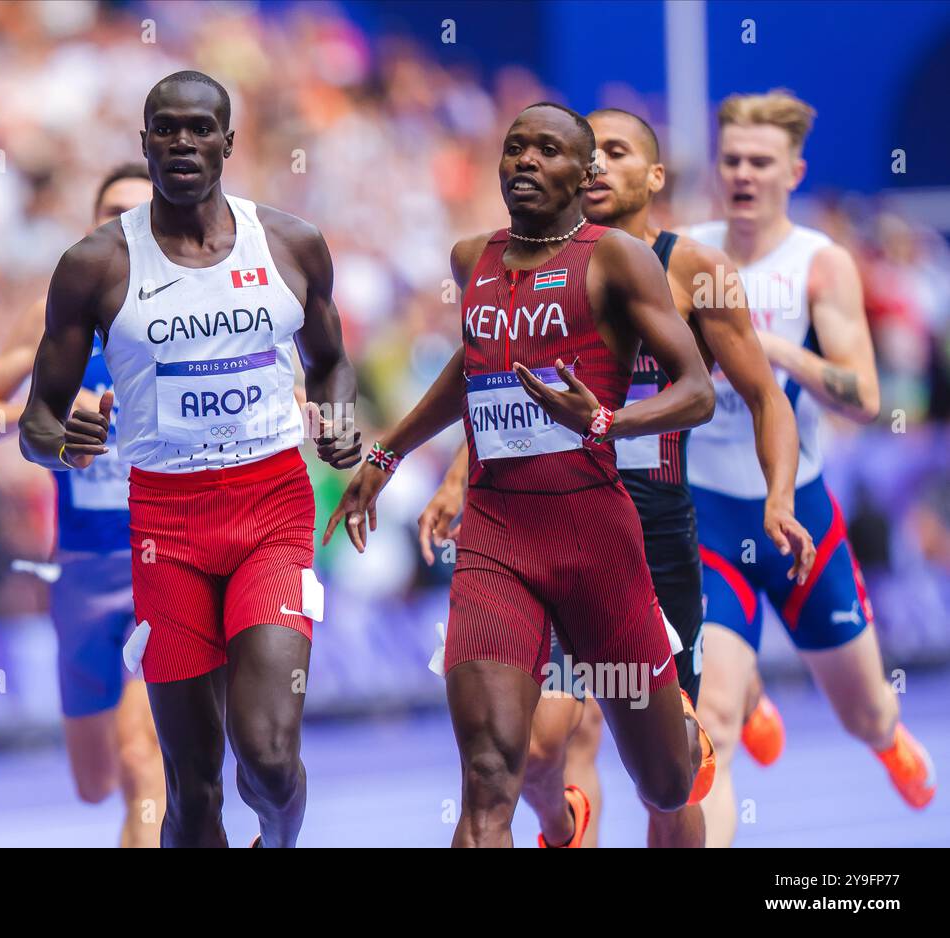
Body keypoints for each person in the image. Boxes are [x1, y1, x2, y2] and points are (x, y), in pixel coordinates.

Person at [418, 107, 815, 847]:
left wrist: (780, 496)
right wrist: (449, 478)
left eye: (616, 153)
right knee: (538, 747)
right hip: (534, 521)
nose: (597, 166)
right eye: (588, 152)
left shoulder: (694, 269)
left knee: (671, 775)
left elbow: (763, 395)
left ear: (654, 176)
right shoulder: (509, 260)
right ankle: (564, 823)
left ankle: (735, 691)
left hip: (650, 528)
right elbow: (499, 386)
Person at [326, 103, 715, 848]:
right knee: (487, 776)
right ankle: (556, 821)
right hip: (498, 541)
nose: (527, 162)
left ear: (584, 174)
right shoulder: (476, 258)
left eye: (547, 150)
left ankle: (682, 726)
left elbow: (694, 390)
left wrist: (604, 421)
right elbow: (470, 368)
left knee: (668, 780)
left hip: (597, 541)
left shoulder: (617, 260)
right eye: (515, 149)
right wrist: (389, 452)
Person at [19, 71, 360, 848]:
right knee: (193, 789)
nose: (182, 142)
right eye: (165, 129)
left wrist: (339, 418)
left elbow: (332, 360)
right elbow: (39, 419)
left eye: (200, 129)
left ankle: (278, 841)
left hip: (272, 508)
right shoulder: (95, 265)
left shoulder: (290, 243)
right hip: (166, 526)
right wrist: (62, 440)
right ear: (145, 143)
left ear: (228, 143)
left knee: (268, 759)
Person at [688, 90, 936, 845]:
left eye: (760, 162)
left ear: (793, 171)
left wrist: (771, 349)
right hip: (706, 520)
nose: (743, 173)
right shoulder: (681, 253)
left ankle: (888, 737)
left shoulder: (819, 265)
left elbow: (864, 396)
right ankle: (743, 690)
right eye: (731, 159)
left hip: (800, 517)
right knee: (714, 730)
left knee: (866, 710)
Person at [0, 163, 165, 848]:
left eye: (139, 212)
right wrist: (33, 413)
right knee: (95, 780)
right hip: (78, 575)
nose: (123, 226)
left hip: (161, 566)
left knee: (140, 763)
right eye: (111, 213)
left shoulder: (189, 318)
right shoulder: (55, 317)